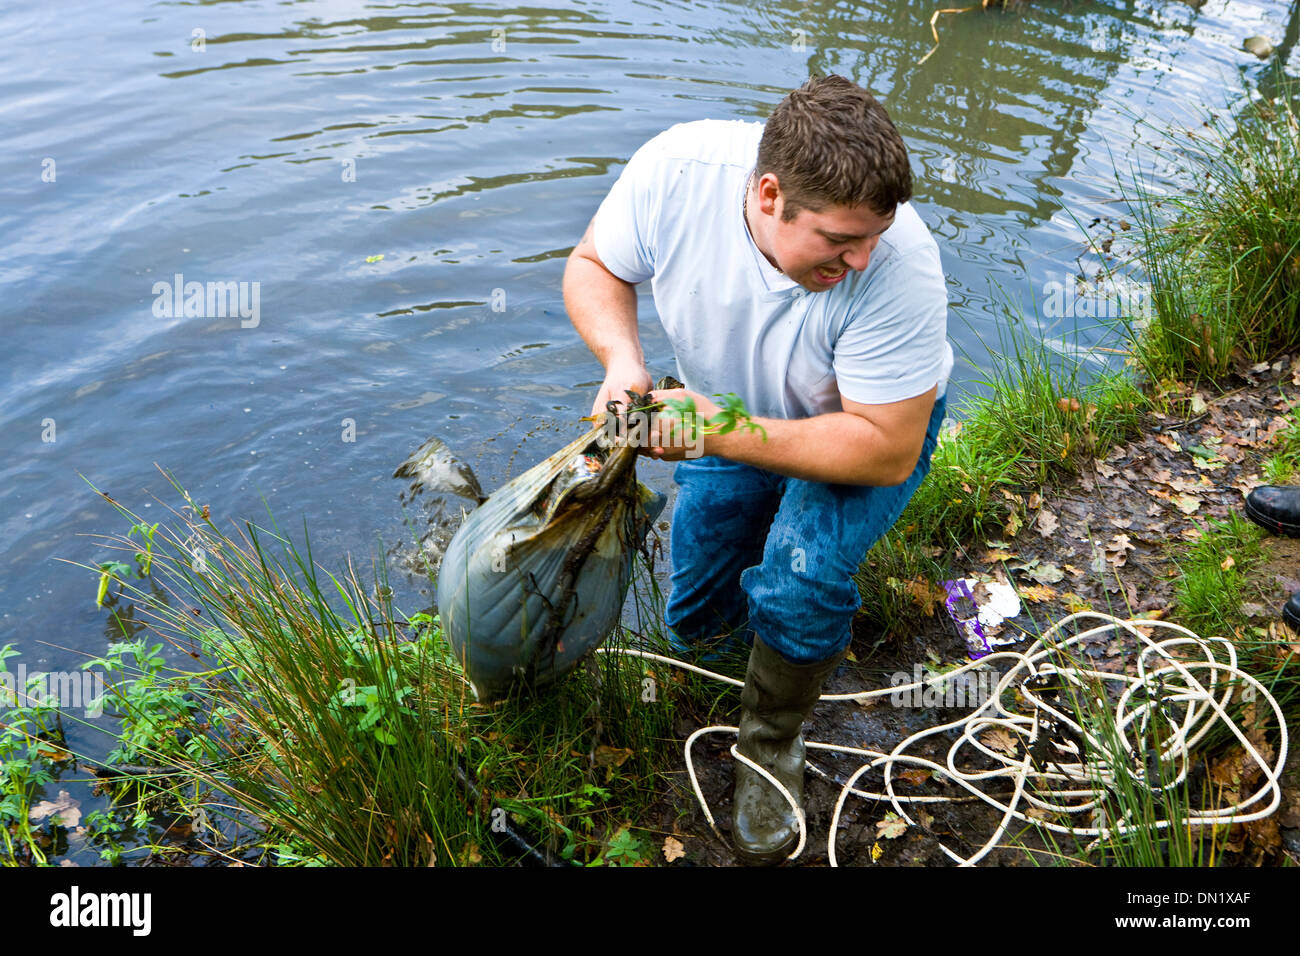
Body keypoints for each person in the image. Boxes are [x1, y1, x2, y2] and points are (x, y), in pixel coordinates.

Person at [562, 75, 953, 865]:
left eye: (874, 235)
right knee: (697, 624)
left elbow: (884, 447)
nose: (862, 256)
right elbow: (595, 264)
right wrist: (622, 361)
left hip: (865, 423)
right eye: (841, 242)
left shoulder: (900, 266)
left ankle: (769, 746)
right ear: (769, 194)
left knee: (801, 571)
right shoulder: (676, 173)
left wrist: (722, 433)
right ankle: (751, 674)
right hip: (731, 408)